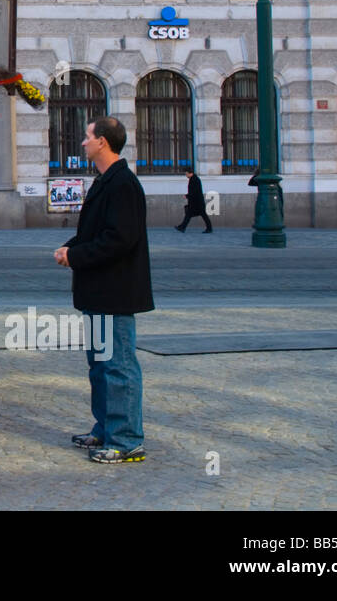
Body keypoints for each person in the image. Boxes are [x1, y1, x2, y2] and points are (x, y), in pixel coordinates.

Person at [54, 116, 153, 464]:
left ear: (103, 143)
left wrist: (76, 255)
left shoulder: (122, 183)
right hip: (98, 291)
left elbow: (119, 239)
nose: (83, 142)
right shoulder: (106, 180)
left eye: (87, 136)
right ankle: (105, 428)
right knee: (99, 365)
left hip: (116, 292)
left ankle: (126, 441)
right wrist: (70, 248)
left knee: (118, 366)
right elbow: (95, 233)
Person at [176, 169, 213, 233]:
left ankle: (209, 228)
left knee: (202, 215)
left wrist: (187, 196)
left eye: (186, 174)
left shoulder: (194, 180)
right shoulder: (194, 179)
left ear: (191, 173)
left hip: (197, 202)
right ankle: (182, 227)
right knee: (190, 214)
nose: (186, 175)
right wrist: (188, 195)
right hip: (196, 202)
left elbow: (195, 191)